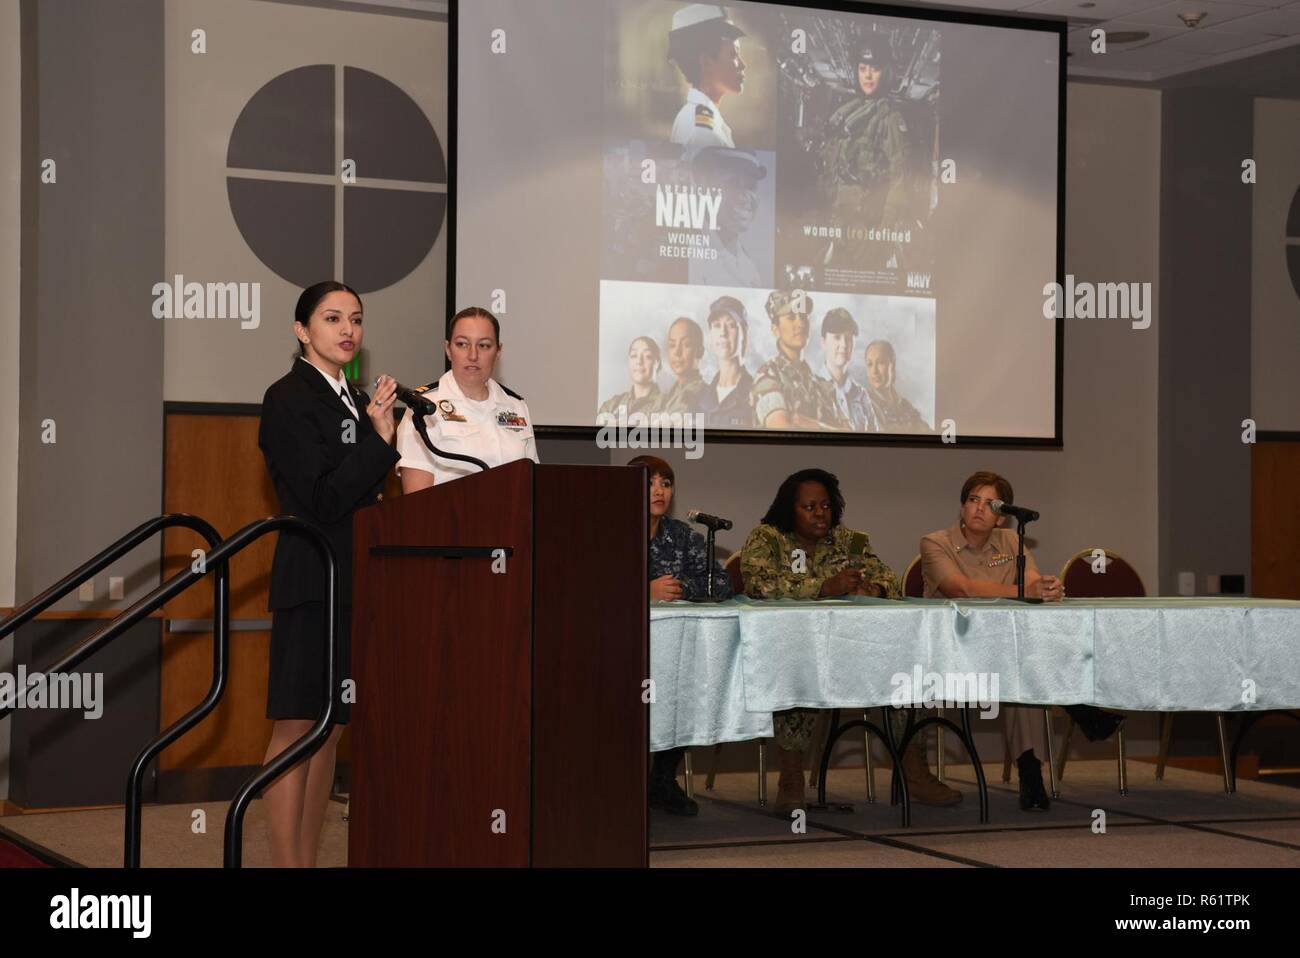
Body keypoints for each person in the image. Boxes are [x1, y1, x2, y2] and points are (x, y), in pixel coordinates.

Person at [258, 281, 400, 867]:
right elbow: (320, 497)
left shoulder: (355, 398)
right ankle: (286, 865)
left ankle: (306, 863)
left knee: (331, 731)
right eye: (332, 318)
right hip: (313, 577)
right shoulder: (288, 396)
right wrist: (380, 440)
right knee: (296, 726)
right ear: (302, 330)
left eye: (357, 319)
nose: (348, 329)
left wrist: (375, 429)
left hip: (355, 579)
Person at [739, 470, 961, 812]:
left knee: (907, 670)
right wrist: (824, 588)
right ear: (790, 509)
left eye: (826, 505)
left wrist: (876, 589)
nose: (820, 513)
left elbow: (889, 578)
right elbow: (760, 586)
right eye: (809, 506)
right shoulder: (767, 539)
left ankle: (914, 771)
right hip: (793, 649)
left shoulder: (850, 541)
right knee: (800, 673)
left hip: (854, 649)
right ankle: (792, 778)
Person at [920, 470, 1124, 811]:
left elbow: (1031, 582)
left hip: (1005, 653)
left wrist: (1047, 588)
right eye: (973, 500)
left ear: (1002, 517)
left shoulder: (1013, 543)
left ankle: (1031, 773)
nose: (980, 509)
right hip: (952, 651)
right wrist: (1023, 590)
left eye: (990, 504)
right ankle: (1079, 713)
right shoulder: (935, 543)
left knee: (1019, 668)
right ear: (961, 507)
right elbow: (962, 589)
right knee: (1022, 664)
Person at [636, 454, 733, 816]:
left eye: (666, 482)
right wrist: (643, 592)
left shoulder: (680, 535)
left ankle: (662, 780)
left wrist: (679, 588)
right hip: (622, 648)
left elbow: (722, 583)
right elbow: (584, 586)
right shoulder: (604, 530)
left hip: (675, 648)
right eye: (649, 482)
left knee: (688, 689)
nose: (659, 490)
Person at [396, 306, 538, 491]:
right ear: (448, 349)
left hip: (513, 518)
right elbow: (417, 503)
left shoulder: (516, 405)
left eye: (484, 345)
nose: (473, 355)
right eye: (462, 344)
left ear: (498, 351)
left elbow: (533, 483)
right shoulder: (422, 407)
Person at [821, 40, 912, 270]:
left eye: (875, 69)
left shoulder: (889, 120)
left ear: (887, 73)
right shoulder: (849, 114)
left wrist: (883, 233)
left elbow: (900, 181)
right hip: (843, 220)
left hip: (870, 226)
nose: (868, 76)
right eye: (863, 69)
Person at [750, 290, 847, 431]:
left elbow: (850, 434)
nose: (800, 323)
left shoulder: (823, 387)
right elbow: (782, 429)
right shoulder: (768, 377)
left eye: (803, 317)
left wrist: (810, 424)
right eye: (791, 317)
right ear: (775, 329)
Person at [668, 3, 746, 150]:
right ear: (706, 62)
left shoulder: (696, 116)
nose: (743, 65)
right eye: (733, 54)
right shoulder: (704, 132)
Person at [688, 147, 767, 288]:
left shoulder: (749, 266)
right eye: (731, 184)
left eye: (751, 186)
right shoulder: (689, 257)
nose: (744, 198)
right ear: (702, 187)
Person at [698, 296, 753, 428]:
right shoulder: (699, 399)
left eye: (731, 325)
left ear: (744, 333)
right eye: (717, 325)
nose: (723, 332)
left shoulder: (756, 393)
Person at [819, 307, 874, 431]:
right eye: (837, 337)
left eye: (848, 338)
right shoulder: (811, 388)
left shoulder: (861, 395)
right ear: (823, 342)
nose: (844, 345)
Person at [863, 339, 929, 433]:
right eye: (869, 364)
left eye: (881, 363)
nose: (874, 371)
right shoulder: (863, 405)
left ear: (892, 366)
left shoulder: (906, 406)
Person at [598, 336, 663, 423]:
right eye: (634, 355)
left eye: (647, 356)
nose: (639, 361)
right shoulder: (611, 406)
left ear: (657, 362)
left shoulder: (669, 405)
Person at [658, 317, 709, 416]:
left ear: (700, 352)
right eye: (672, 345)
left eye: (686, 344)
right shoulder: (668, 396)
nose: (677, 352)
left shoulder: (706, 397)